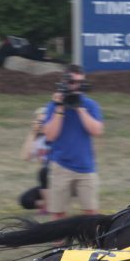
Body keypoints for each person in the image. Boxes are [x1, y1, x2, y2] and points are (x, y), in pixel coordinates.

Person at [40, 64, 103, 217]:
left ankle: (91, 241)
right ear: (64, 82)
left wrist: (80, 108)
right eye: (72, 82)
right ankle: (59, 241)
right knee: (58, 212)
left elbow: (97, 131)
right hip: (61, 165)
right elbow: (50, 136)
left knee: (91, 212)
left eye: (80, 83)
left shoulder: (90, 105)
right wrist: (59, 108)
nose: (76, 86)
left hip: (85, 167)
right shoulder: (53, 106)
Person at [18, 106, 50, 212]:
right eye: (39, 121)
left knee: (44, 171)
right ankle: (50, 204)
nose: (41, 124)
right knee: (25, 200)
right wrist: (32, 133)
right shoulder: (38, 140)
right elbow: (25, 157)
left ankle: (50, 206)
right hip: (47, 184)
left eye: (44, 121)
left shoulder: (58, 137)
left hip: (63, 180)